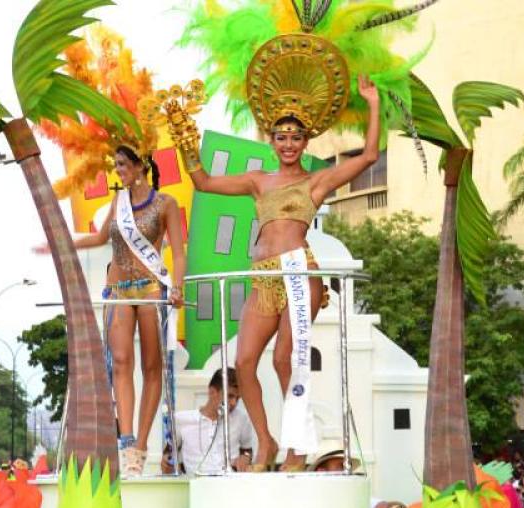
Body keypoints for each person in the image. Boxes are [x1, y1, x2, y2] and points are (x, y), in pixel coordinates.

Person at [180, 63, 381, 470]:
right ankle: (267, 442)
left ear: (306, 141)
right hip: (263, 276)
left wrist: (373, 104)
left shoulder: (316, 182)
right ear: (271, 141)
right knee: (245, 362)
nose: (288, 144)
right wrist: (185, 139)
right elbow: (203, 182)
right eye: (281, 137)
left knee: (283, 359)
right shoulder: (258, 180)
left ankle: (297, 448)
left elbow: (371, 155)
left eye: (296, 137)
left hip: (298, 272)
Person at [37, 144, 186, 478]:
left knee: (151, 365)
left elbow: (177, 251)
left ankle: (141, 447)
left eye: (122, 164)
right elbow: (101, 237)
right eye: (116, 165)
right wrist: (61, 244)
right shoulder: (119, 203)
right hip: (117, 289)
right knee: (120, 362)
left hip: (150, 288)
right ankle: (126, 439)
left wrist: (177, 286)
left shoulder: (166, 204)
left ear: (141, 165)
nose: (118, 171)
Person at [163, 368, 253, 474]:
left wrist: (245, 457)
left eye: (237, 398)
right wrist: (167, 462)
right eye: (230, 396)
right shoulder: (181, 419)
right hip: (195, 484)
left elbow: (247, 450)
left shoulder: (241, 419)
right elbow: (169, 452)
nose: (234, 403)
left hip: (230, 483)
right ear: (212, 392)